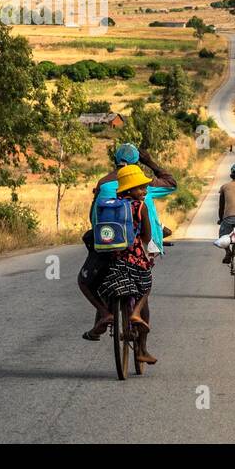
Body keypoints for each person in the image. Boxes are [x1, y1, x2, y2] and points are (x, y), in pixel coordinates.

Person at [79, 145, 175, 353]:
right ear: (136, 165)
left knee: (94, 278)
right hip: (137, 249)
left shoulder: (104, 183)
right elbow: (171, 183)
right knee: (143, 287)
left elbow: (94, 218)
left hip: (107, 244)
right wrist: (149, 161)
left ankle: (104, 314)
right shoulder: (145, 188)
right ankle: (141, 348)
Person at [92, 165, 158, 364]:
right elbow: (146, 236)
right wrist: (141, 245)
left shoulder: (110, 205)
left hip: (112, 257)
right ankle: (137, 319)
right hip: (134, 256)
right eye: (140, 188)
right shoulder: (140, 206)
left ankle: (102, 317)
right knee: (146, 285)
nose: (144, 191)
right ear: (130, 189)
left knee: (105, 285)